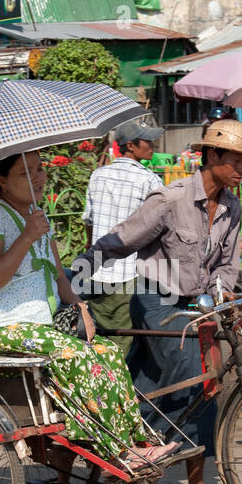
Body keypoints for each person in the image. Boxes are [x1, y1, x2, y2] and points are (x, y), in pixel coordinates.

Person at [0, 151, 177, 484]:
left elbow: (59, 275)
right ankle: (113, 450)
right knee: (73, 356)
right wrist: (27, 236)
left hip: (31, 327)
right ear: (1, 180)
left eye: (40, 169)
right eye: (25, 173)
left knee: (107, 352)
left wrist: (81, 307)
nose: (38, 177)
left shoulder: (35, 216)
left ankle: (137, 443)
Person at [80, 120, 242, 484]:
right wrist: (78, 277)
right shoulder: (169, 199)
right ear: (212, 156)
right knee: (198, 376)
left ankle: (125, 444)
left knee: (151, 382)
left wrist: (222, 292)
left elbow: (228, 265)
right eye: (236, 160)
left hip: (198, 304)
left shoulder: (232, 207)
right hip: (156, 301)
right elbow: (122, 239)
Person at [81, 121, 164, 355]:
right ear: (131, 146)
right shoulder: (149, 180)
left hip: (96, 269)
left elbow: (88, 221)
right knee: (124, 340)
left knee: (99, 335)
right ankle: (118, 386)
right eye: (147, 141)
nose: (152, 145)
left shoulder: (98, 175)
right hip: (128, 272)